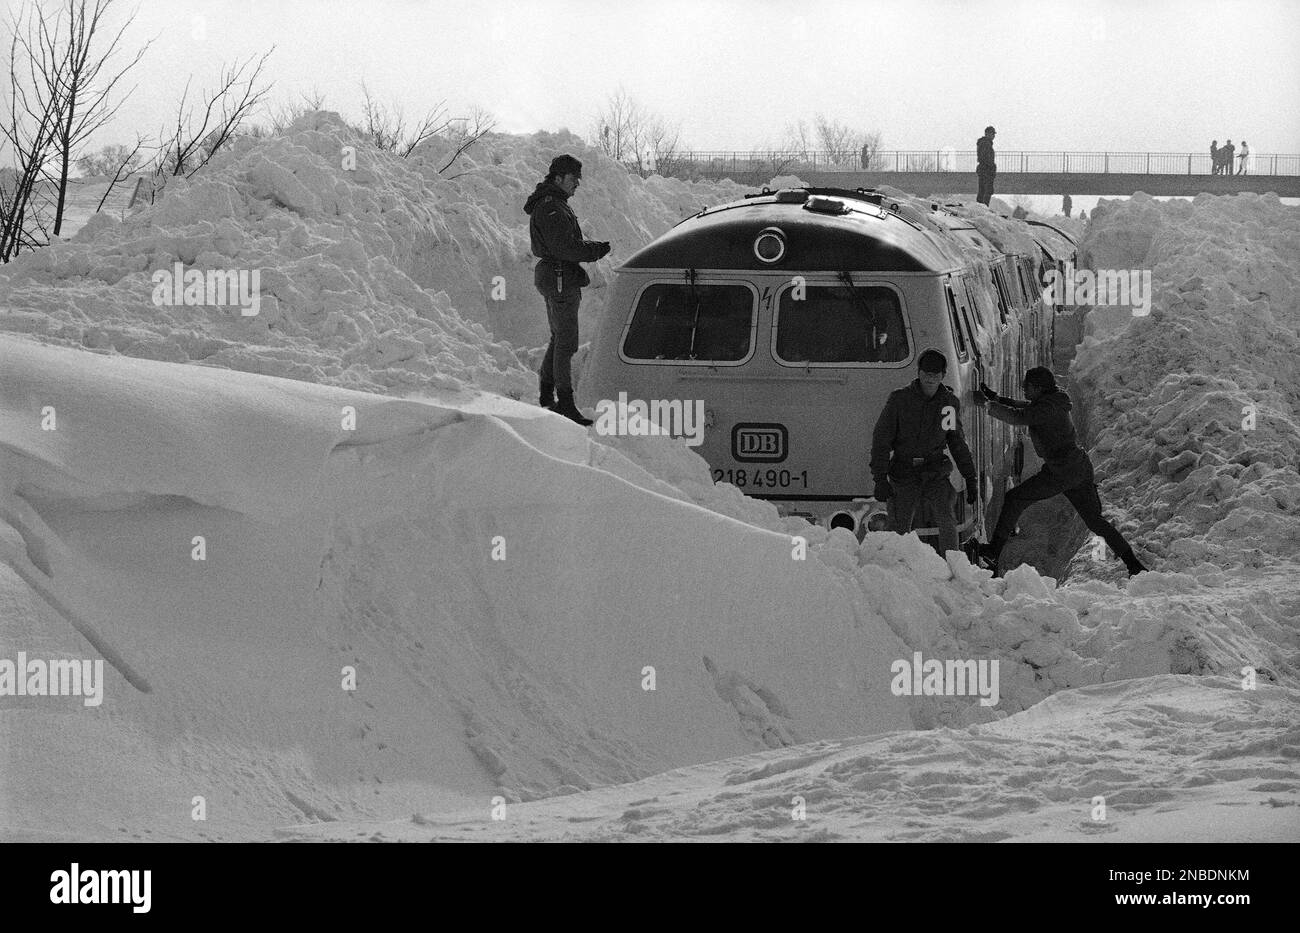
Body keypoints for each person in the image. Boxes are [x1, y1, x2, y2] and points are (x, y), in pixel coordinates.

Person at [974, 367, 1147, 577]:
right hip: (1079, 467)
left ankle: (993, 552)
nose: (1023, 389)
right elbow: (1027, 407)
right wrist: (996, 398)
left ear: (1038, 388)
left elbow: (1020, 416)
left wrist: (987, 405)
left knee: (1015, 498)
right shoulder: (1053, 402)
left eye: (1026, 386)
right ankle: (1134, 565)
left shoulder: (1046, 409)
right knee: (1095, 520)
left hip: (1060, 471)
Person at [524, 154, 611, 425]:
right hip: (560, 277)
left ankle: (547, 396)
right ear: (559, 177)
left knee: (558, 337)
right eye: (574, 179)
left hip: (558, 276)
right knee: (566, 342)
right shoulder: (552, 208)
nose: (577, 185)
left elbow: (563, 244)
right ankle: (565, 404)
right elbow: (566, 248)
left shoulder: (553, 204)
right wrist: (596, 249)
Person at [870, 349, 979, 555]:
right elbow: (881, 440)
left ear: (943, 376)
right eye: (926, 374)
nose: (930, 379)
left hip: (934, 471)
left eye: (935, 375)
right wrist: (880, 478)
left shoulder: (947, 404)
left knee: (947, 519)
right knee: (900, 526)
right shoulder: (900, 401)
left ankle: (952, 563)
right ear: (918, 373)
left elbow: (956, 442)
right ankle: (898, 565)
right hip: (903, 471)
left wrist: (970, 477)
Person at [976, 126, 997, 205]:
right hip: (986, 170)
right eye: (992, 134)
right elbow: (985, 158)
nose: (994, 136)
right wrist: (991, 167)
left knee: (982, 190)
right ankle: (983, 208)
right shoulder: (986, 144)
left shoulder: (984, 143)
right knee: (987, 190)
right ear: (987, 134)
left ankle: (981, 207)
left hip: (983, 170)